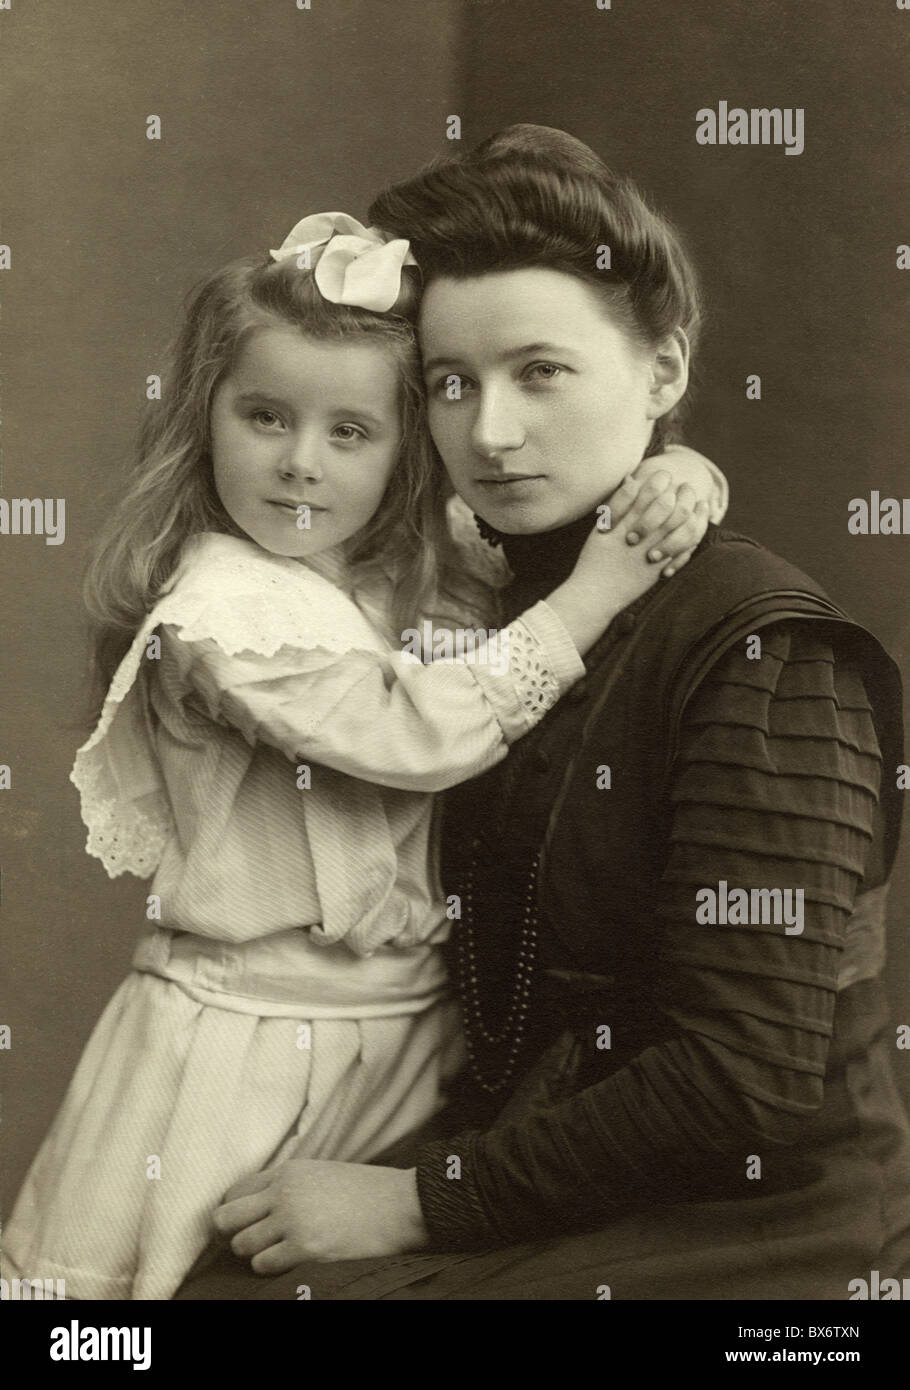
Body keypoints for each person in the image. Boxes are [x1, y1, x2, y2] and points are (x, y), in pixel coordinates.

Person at [174, 126, 910, 1301]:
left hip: (754, 1218)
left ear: (662, 372)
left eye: (541, 372)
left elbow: (740, 1080)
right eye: (451, 385)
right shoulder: (476, 597)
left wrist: (419, 1198)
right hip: (539, 1148)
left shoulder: (764, 652)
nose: (491, 433)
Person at [0, 210, 723, 1301]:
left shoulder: (388, 576)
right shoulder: (223, 615)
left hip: (407, 1038)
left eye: (350, 432)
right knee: (137, 1299)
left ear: (403, 449)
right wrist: (599, 590)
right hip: (246, 1044)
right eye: (265, 417)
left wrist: (685, 478)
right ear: (206, 422)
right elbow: (413, 734)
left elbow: (554, 539)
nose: (300, 464)